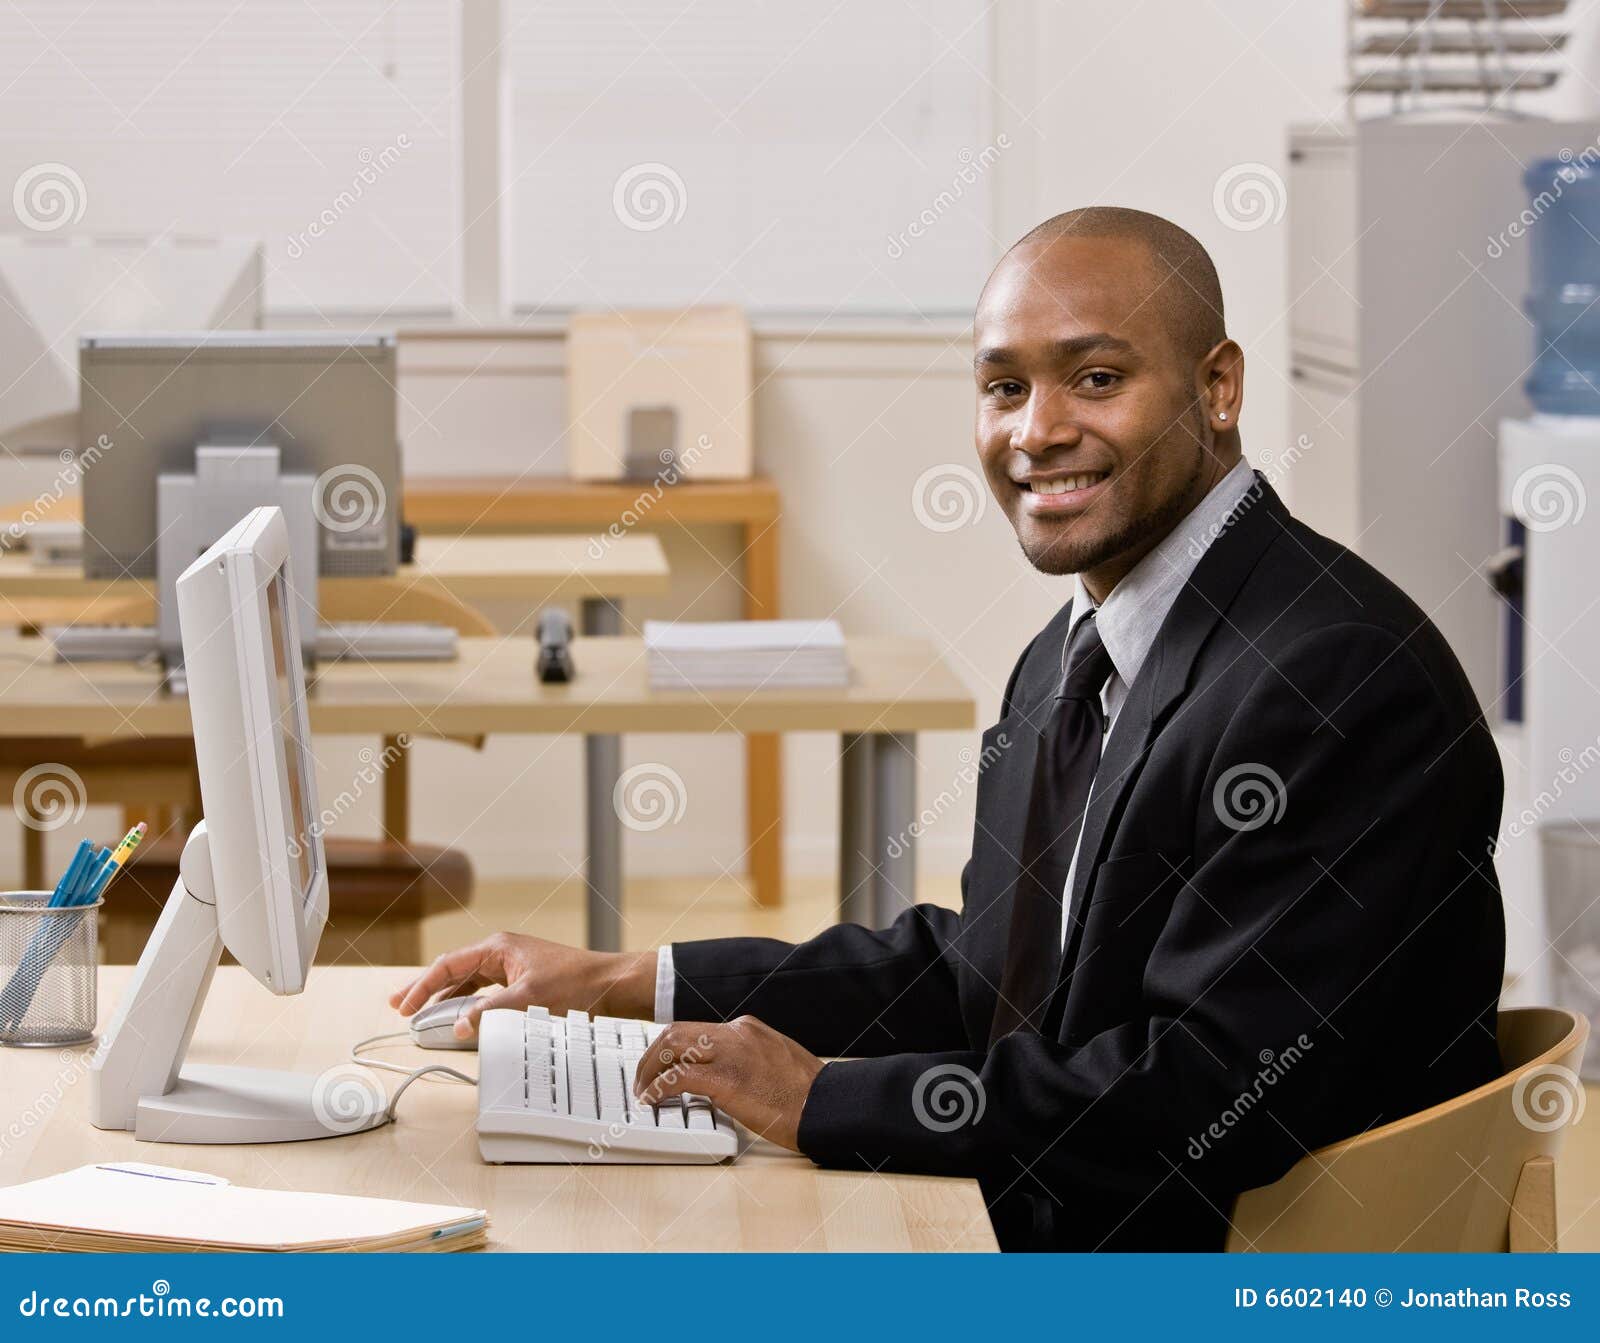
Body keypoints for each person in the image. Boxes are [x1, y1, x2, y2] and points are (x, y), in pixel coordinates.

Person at [392, 207, 1506, 1251]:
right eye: (1003, 386)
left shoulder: (1332, 677)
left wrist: (818, 1096)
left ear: (1217, 389)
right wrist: (631, 981)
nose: (1037, 431)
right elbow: (983, 975)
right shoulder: (1070, 656)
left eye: (1097, 378)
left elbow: (1205, 1088)